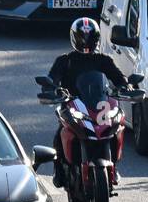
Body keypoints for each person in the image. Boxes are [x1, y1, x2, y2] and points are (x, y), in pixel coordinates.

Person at [45, 17, 127, 188]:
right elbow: (52, 78)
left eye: (89, 38)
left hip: (99, 104)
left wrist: (127, 86)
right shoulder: (65, 60)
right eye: (82, 38)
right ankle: (59, 168)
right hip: (72, 104)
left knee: (115, 127)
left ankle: (115, 165)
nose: (86, 42)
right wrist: (50, 87)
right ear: (75, 38)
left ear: (96, 38)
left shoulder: (103, 60)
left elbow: (118, 78)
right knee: (60, 132)